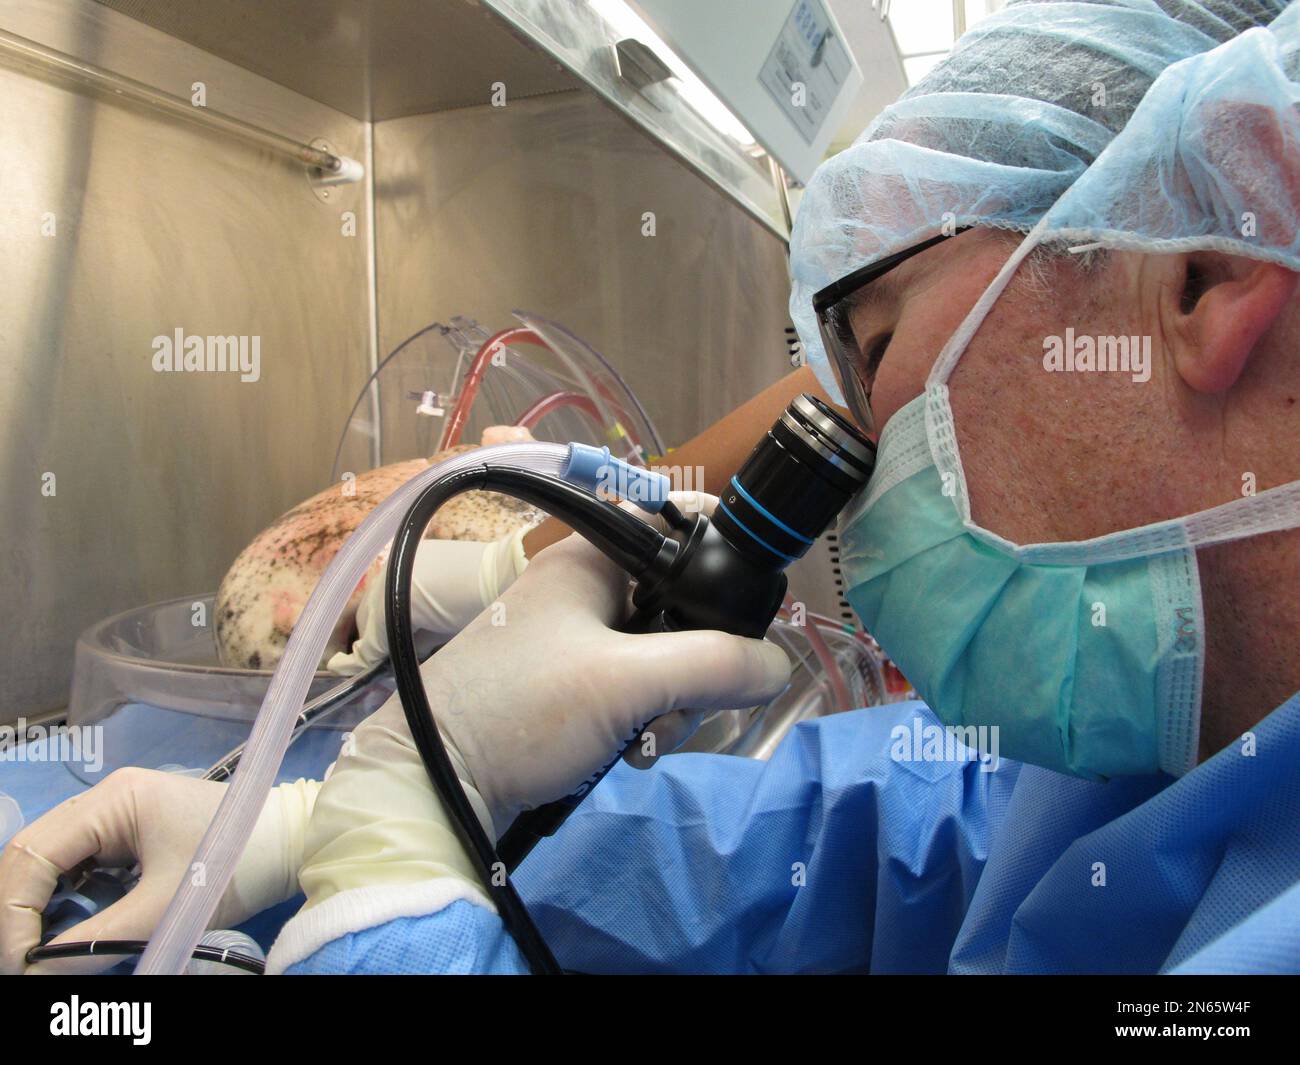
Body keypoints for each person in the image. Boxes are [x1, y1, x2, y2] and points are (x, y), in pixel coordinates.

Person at [4, 0, 1299, 974]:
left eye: (882, 343)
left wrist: (387, 871)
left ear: (1198, 270)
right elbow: (880, 824)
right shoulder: (1168, 758)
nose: (856, 457)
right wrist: (304, 828)